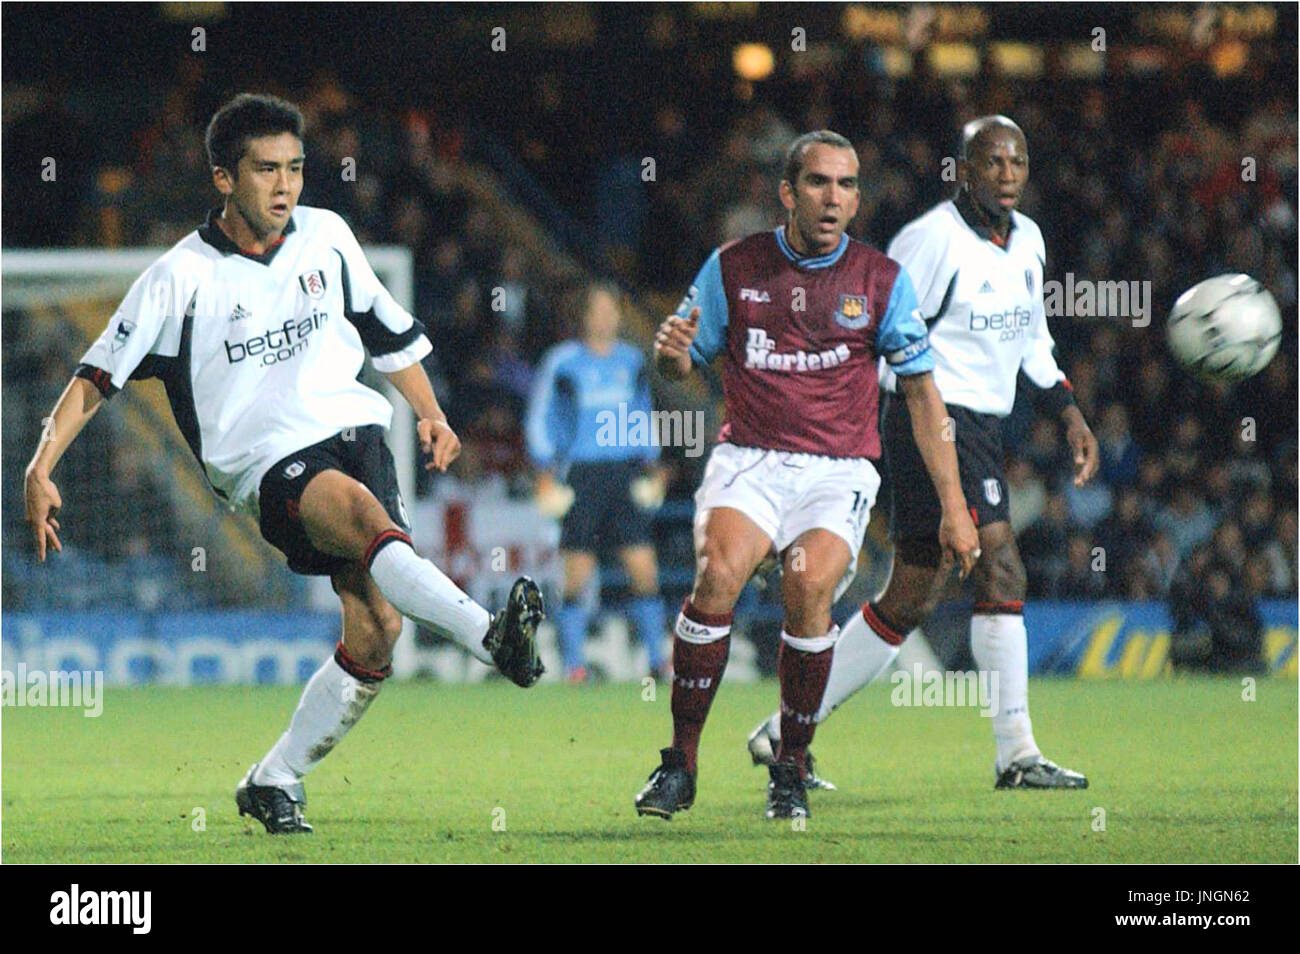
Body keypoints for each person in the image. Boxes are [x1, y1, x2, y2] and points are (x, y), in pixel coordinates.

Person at [22, 93, 545, 835]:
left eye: (295, 168)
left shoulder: (327, 237)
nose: (285, 185)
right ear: (223, 179)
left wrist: (431, 414)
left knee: (377, 629)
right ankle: (491, 637)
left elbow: (387, 335)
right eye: (266, 169)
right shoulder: (179, 279)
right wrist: (40, 468)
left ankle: (274, 778)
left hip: (357, 434)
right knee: (365, 521)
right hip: (269, 464)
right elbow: (92, 381)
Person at [635, 130, 980, 821]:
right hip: (751, 458)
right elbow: (680, 362)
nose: (834, 198)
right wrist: (668, 356)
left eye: (847, 185)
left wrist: (954, 503)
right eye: (819, 183)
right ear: (788, 193)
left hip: (837, 468)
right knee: (718, 575)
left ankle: (789, 766)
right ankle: (680, 765)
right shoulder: (734, 266)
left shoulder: (881, 280)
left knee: (808, 584)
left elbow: (922, 394)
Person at [748, 116, 1099, 791]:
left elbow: (1033, 340)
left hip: (982, 427)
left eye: (1018, 162)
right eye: (992, 163)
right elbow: (871, 329)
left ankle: (784, 728)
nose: (1007, 175)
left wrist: (1070, 413)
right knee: (1001, 569)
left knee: (910, 595)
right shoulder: (932, 240)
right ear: (964, 171)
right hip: (926, 417)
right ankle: (1017, 754)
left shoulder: (1028, 241)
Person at [525, 283, 670, 682]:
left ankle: (658, 662)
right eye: (599, 310)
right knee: (577, 574)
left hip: (624, 472)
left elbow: (642, 413)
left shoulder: (632, 360)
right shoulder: (562, 362)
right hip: (582, 474)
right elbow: (541, 415)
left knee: (643, 568)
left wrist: (652, 460)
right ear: (585, 316)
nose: (606, 317)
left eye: (612, 310)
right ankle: (574, 666)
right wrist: (543, 468)